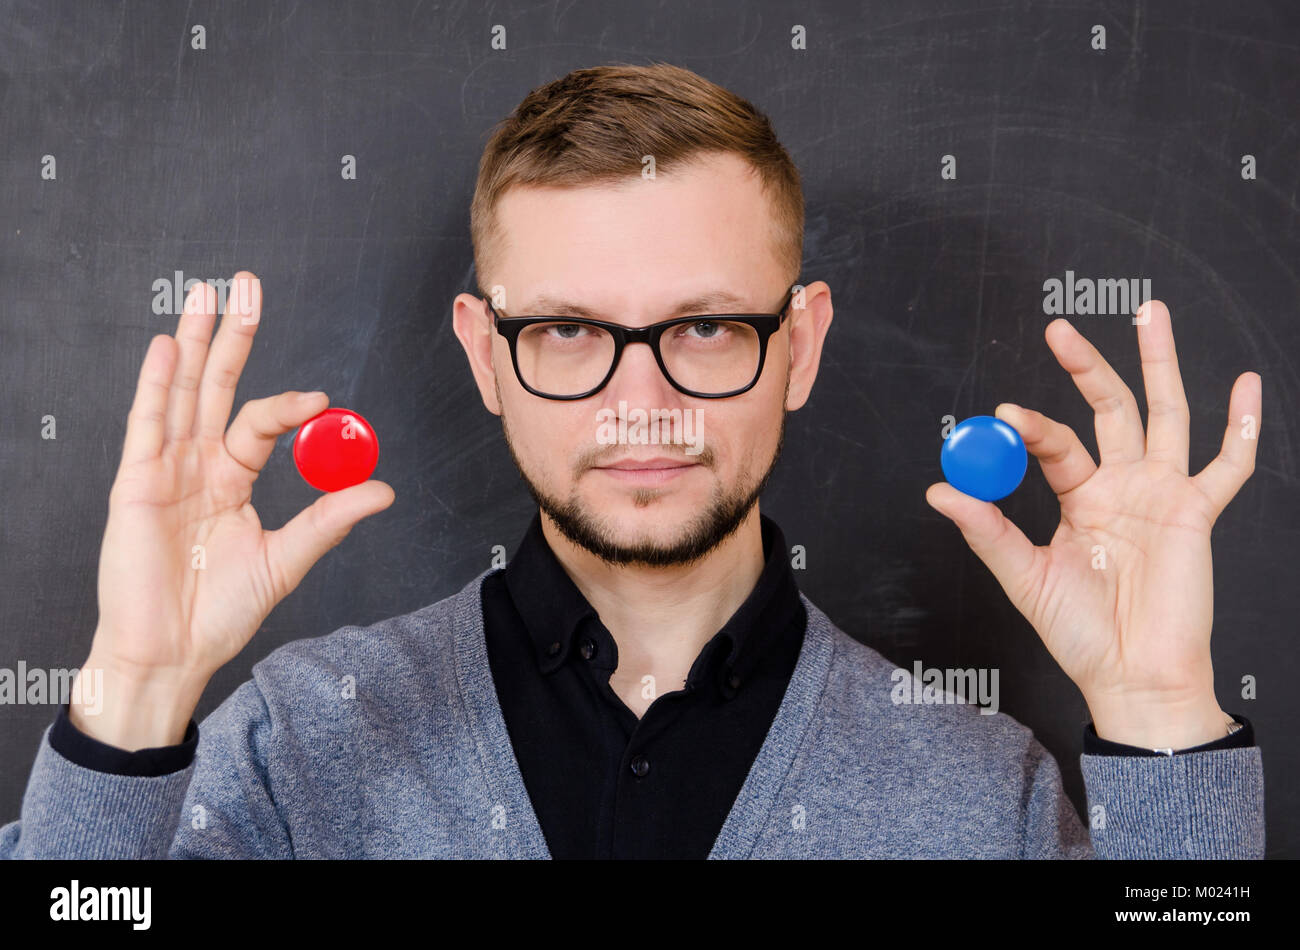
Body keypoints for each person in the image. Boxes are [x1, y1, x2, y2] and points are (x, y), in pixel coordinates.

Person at [1, 63, 1263, 859]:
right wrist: (132, 699)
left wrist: (1159, 719)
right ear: (486, 355)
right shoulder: (301, 742)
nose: (641, 397)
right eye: (566, 331)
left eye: (705, 326)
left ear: (800, 343)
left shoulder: (980, 795)